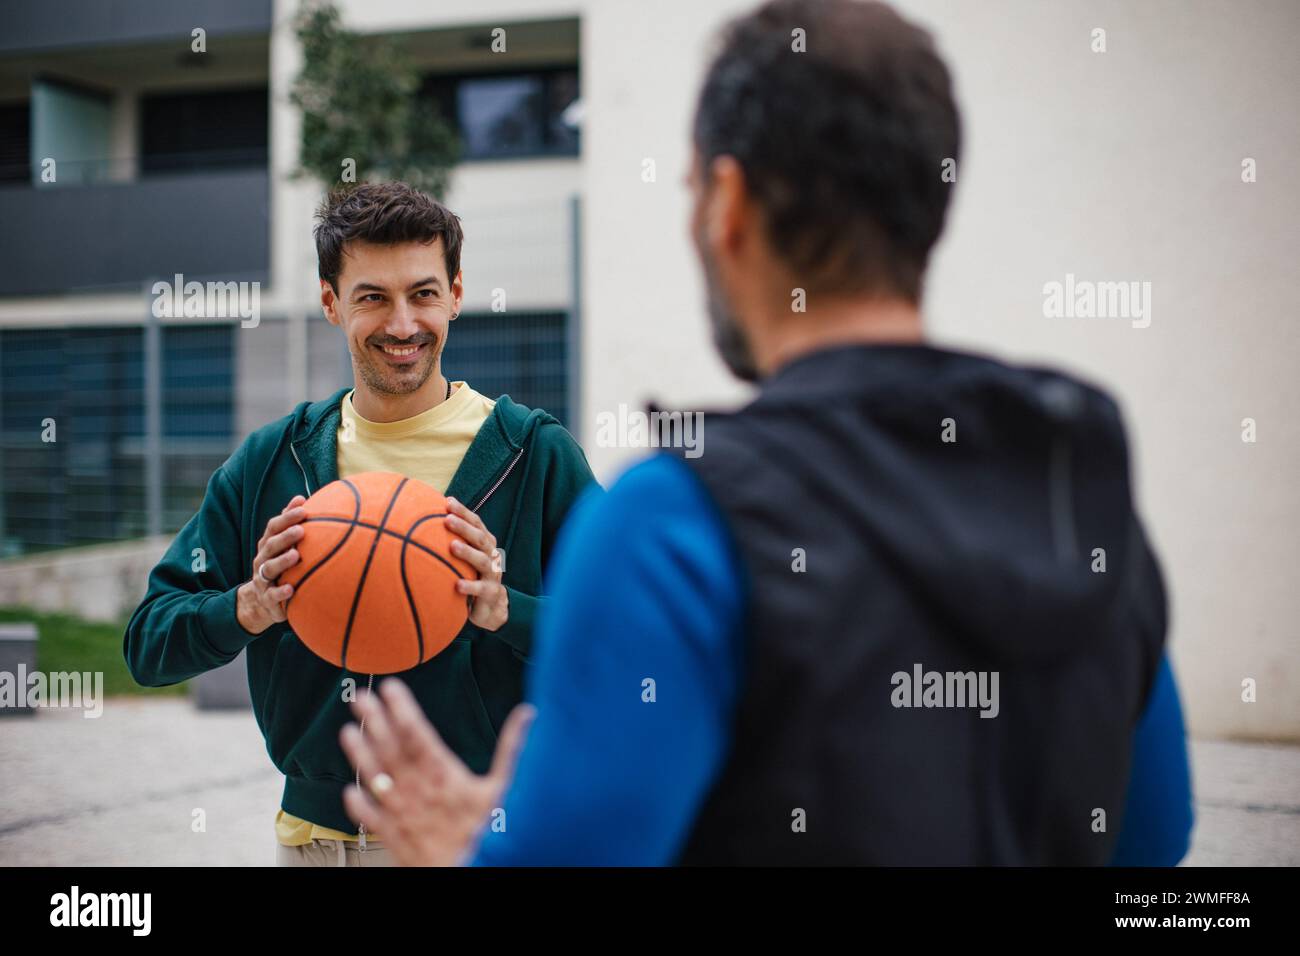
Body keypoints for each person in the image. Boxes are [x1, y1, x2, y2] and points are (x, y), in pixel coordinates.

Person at [339, 0, 1194, 865]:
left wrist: (468, 849)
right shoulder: (1077, 500)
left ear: (729, 202)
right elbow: (1156, 846)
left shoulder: (670, 526)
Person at [124, 181, 595, 866]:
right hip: (313, 844)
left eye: (424, 294)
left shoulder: (534, 455)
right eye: (373, 297)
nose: (402, 323)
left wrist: (506, 611)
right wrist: (249, 607)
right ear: (330, 303)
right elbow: (147, 643)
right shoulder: (273, 461)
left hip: (475, 838)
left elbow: (625, 641)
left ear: (457, 295)